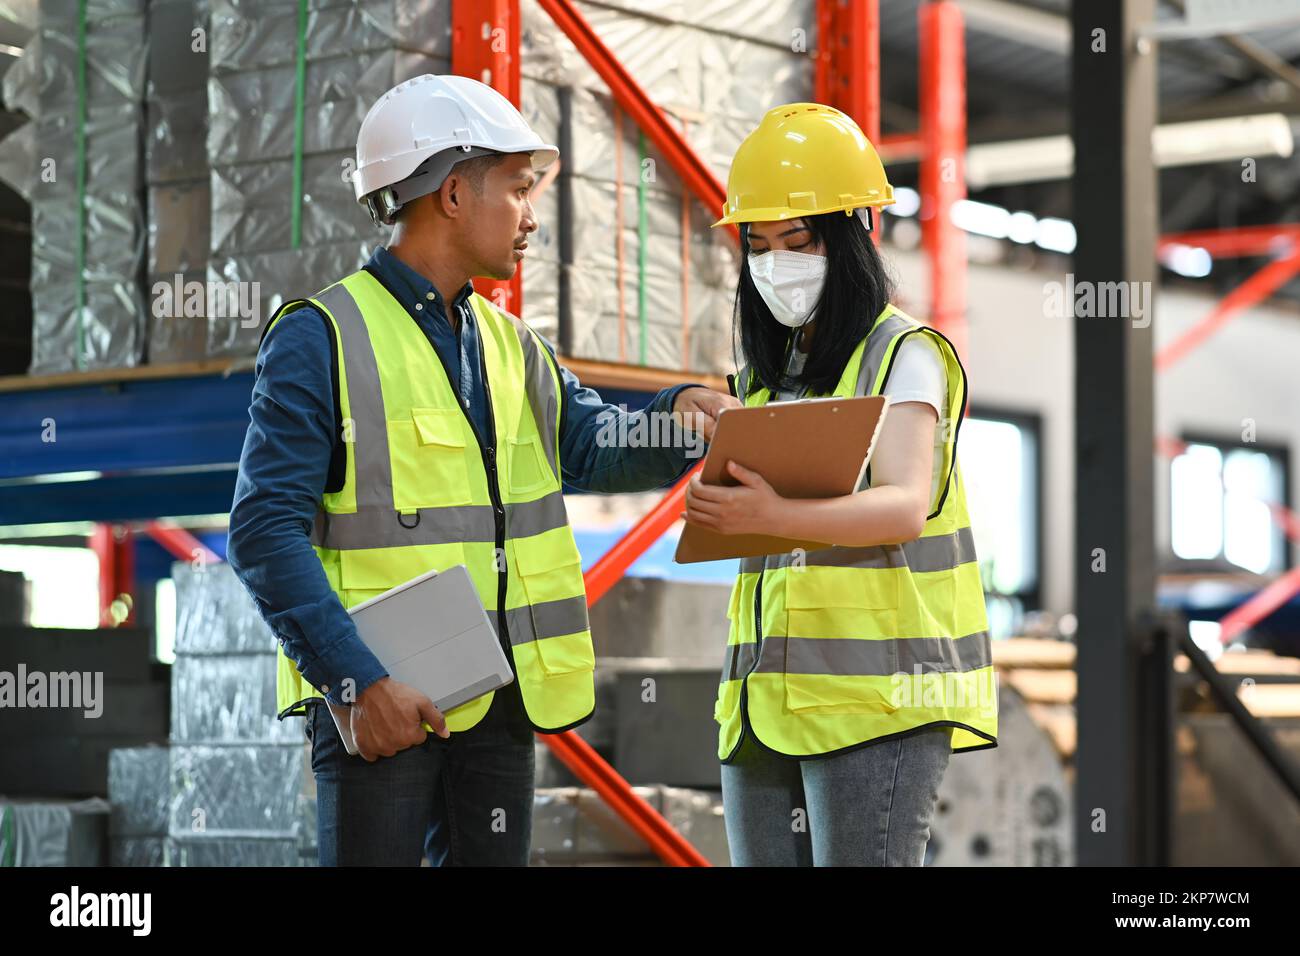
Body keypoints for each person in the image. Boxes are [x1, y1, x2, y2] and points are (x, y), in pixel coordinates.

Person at [226, 73, 738, 866]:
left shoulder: (508, 343)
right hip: (386, 705)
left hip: (501, 705)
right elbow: (263, 533)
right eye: (520, 189)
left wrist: (685, 418)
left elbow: (588, 442)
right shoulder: (318, 335)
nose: (533, 217)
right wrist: (354, 683)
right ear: (455, 193)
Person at [684, 102, 999, 867]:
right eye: (756, 244)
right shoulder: (773, 373)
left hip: (878, 701)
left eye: (796, 239)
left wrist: (772, 513)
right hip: (764, 701)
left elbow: (902, 507)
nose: (773, 263)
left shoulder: (904, 356)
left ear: (855, 234)